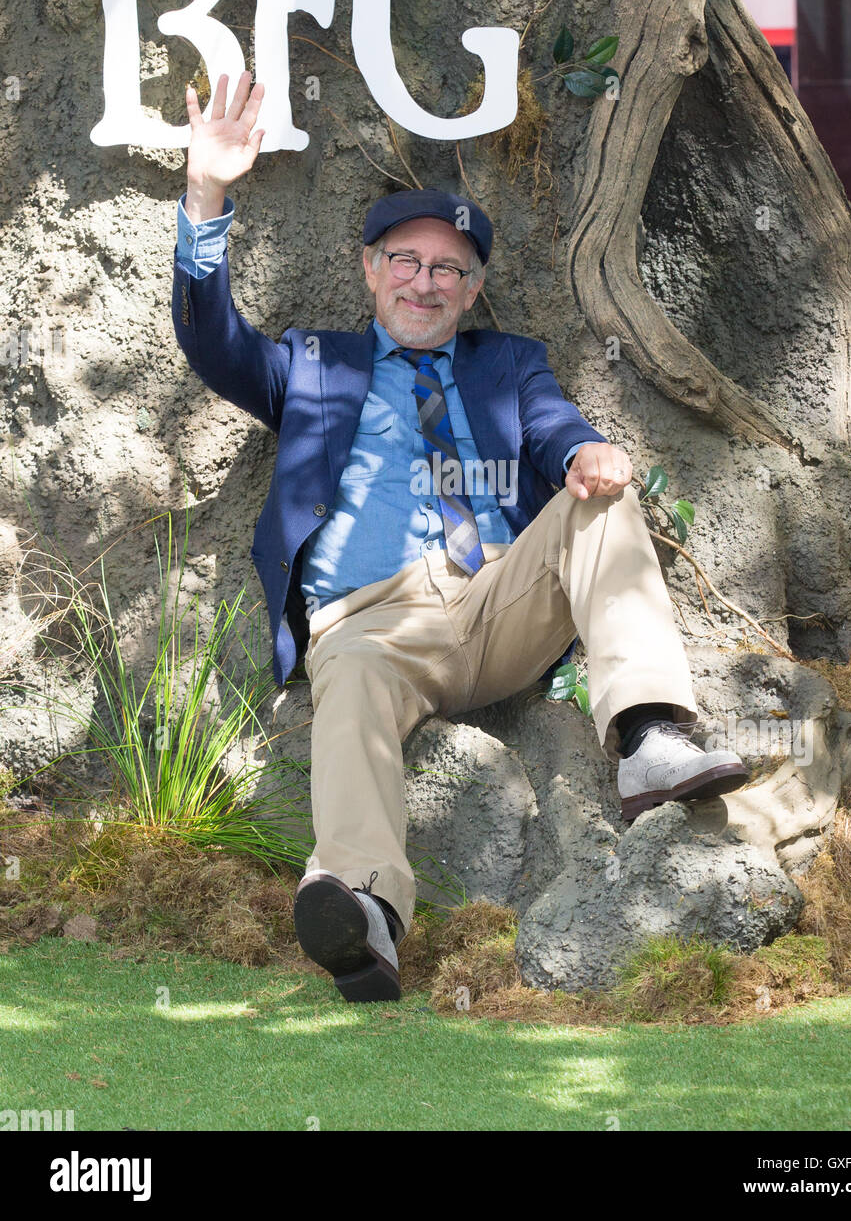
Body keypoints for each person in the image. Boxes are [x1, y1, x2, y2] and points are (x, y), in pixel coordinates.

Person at [172, 72, 748, 1002]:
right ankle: (366, 916)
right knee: (350, 681)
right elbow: (211, 344)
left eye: (448, 269)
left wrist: (585, 452)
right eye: (405, 260)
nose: (424, 281)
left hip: (492, 605)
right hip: (368, 626)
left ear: (473, 288)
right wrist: (206, 195)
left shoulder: (507, 362)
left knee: (604, 496)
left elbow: (555, 424)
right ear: (370, 271)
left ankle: (647, 734)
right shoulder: (310, 362)